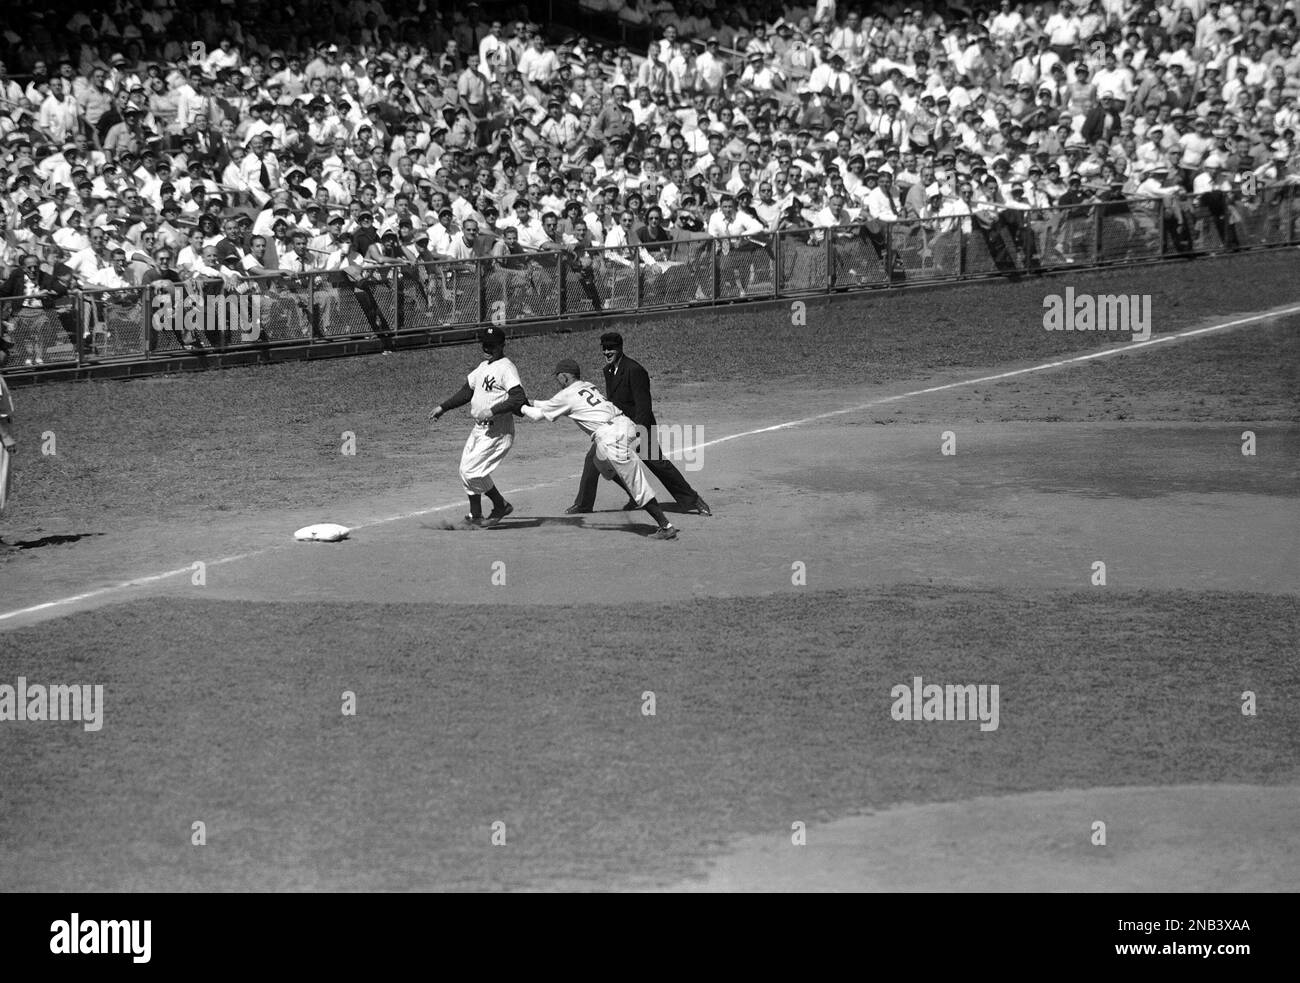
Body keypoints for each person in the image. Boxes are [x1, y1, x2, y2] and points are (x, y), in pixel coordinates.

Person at [522, 359, 679, 541]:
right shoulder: (587, 386)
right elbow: (549, 404)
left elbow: (536, 416)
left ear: (564, 377)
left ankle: (665, 525)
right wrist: (530, 401)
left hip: (612, 437)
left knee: (636, 482)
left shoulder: (566, 396)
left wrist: (518, 406)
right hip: (626, 425)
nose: (557, 381)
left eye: (558, 377)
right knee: (600, 461)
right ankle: (633, 494)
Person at [566, 331, 711, 516]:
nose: (607, 352)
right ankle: (584, 503)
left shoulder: (635, 370)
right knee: (593, 458)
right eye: (604, 349)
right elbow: (613, 402)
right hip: (618, 427)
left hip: (640, 426)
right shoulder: (608, 371)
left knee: (658, 464)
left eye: (611, 348)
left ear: (620, 348)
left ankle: (693, 500)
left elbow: (644, 405)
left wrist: (638, 432)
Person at [428, 325, 528, 527]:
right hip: (479, 430)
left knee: (472, 471)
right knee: (465, 471)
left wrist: (491, 410)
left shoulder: (507, 368)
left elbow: (518, 398)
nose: (487, 348)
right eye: (485, 345)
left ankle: (500, 505)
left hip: (498, 432)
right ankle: (476, 515)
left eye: (492, 345)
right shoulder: (483, 367)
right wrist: (443, 407)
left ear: (501, 345)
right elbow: (467, 392)